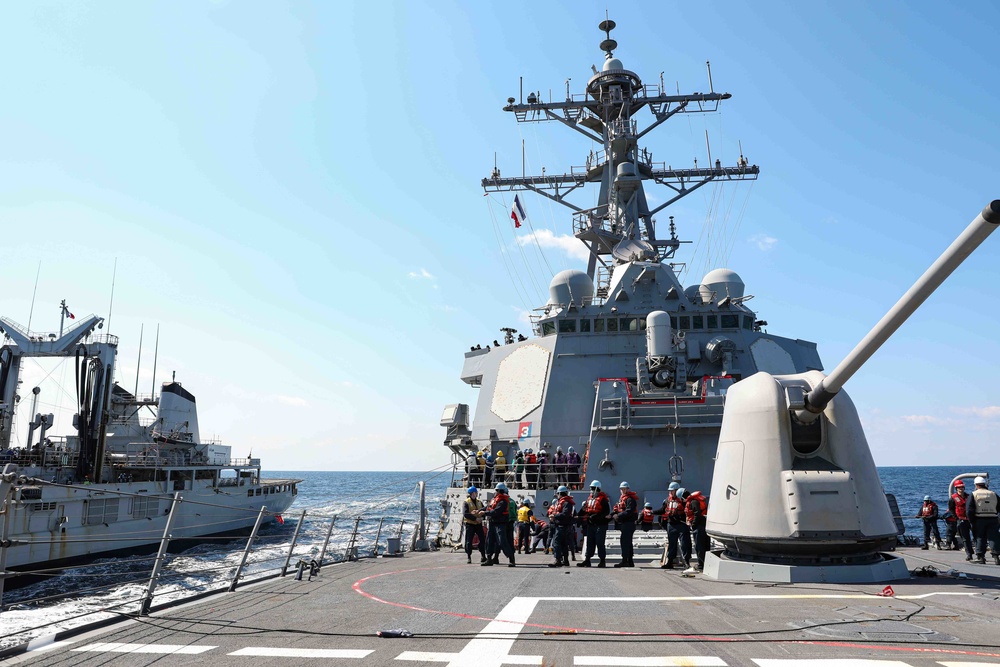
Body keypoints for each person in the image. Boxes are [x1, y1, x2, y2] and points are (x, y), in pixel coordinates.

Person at [577, 479, 611, 568]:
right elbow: (584, 509)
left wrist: (596, 516)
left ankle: (602, 561)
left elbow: (606, 513)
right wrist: (578, 516)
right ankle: (587, 560)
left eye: (593, 488)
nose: (591, 490)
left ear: (597, 489)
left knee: (600, 543)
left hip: (600, 525)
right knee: (590, 542)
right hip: (591, 524)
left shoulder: (603, 500)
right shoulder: (589, 499)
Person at [655, 482, 690, 569]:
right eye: (669, 491)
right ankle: (670, 562)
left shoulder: (683, 499)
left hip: (682, 524)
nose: (670, 492)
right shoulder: (668, 500)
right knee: (672, 544)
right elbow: (662, 510)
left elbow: (688, 510)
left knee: (685, 544)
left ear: (676, 491)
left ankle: (687, 562)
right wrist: (652, 512)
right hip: (671, 524)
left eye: (672, 491)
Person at [966, 476, 1000, 565]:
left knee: (979, 538)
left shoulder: (974, 494)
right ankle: (996, 557)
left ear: (976, 485)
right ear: (984, 484)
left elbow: (969, 509)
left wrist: (971, 520)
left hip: (979, 519)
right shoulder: (993, 494)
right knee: (994, 538)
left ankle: (980, 557)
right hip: (993, 518)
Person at [482, 482, 516, 566]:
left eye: (496, 490)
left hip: (500, 524)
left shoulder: (503, 501)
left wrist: (484, 513)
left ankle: (511, 559)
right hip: (492, 523)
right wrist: (479, 510)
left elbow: (496, 511)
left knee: (502, 541)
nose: (495, 492)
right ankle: (489, 558)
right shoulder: (494, 499)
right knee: (489, 541)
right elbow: (488, 507)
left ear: (499, 491)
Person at [612, 481, 638, 568]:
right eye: (621, 489)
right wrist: (611, 515)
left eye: (624, 489)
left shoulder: (630, 500)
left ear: (627, 489)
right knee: (628, 542)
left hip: (628, 523)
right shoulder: (622, 499)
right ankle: (630, 561)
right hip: (625, 523)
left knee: (625, 542)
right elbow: (617, 509)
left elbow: (629, 511)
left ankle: (625, 560)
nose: (623, 490)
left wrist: (618, 516)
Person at [548, 485, 575, 567]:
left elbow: (565, 514)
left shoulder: (566, 503)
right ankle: (565, 561)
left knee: (556, 543)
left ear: (559, 493)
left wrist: (554, 516)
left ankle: (558, 560)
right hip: (564, 526)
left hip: (562, 527)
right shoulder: (567, 502)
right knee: (564, 544)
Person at [948, 480, 974, 561]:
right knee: (965, 538)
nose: (961, 489)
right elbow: (951, 509)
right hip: (961, 520)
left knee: (976, 536)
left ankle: (978, 553)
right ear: (956, 488)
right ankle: (969, 554)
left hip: (971, 520)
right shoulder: (953, 498)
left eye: (962, 487)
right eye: (959, 487)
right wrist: (956, 518)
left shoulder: (969, 496)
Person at [685, 489, 709, 571]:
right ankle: (706, 563)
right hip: (704, 524)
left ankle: (701, 565)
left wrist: (693, 524)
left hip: (699, 526)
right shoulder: (695, 501)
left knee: (699, 546)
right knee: (705, 545)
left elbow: (697, 514)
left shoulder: (693, 502)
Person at [462, 486, 487, 564]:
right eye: (476, 492)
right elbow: (466, 514)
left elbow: (484, 511)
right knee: (469, 541)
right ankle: (469, 557)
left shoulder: (479, 502)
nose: (477, 494)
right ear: (472, 493)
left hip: (479, 524)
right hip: (470, 524)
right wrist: (475, 519)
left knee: (482, 540)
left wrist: (482, 518)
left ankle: (483, 556)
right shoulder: (466, 502)